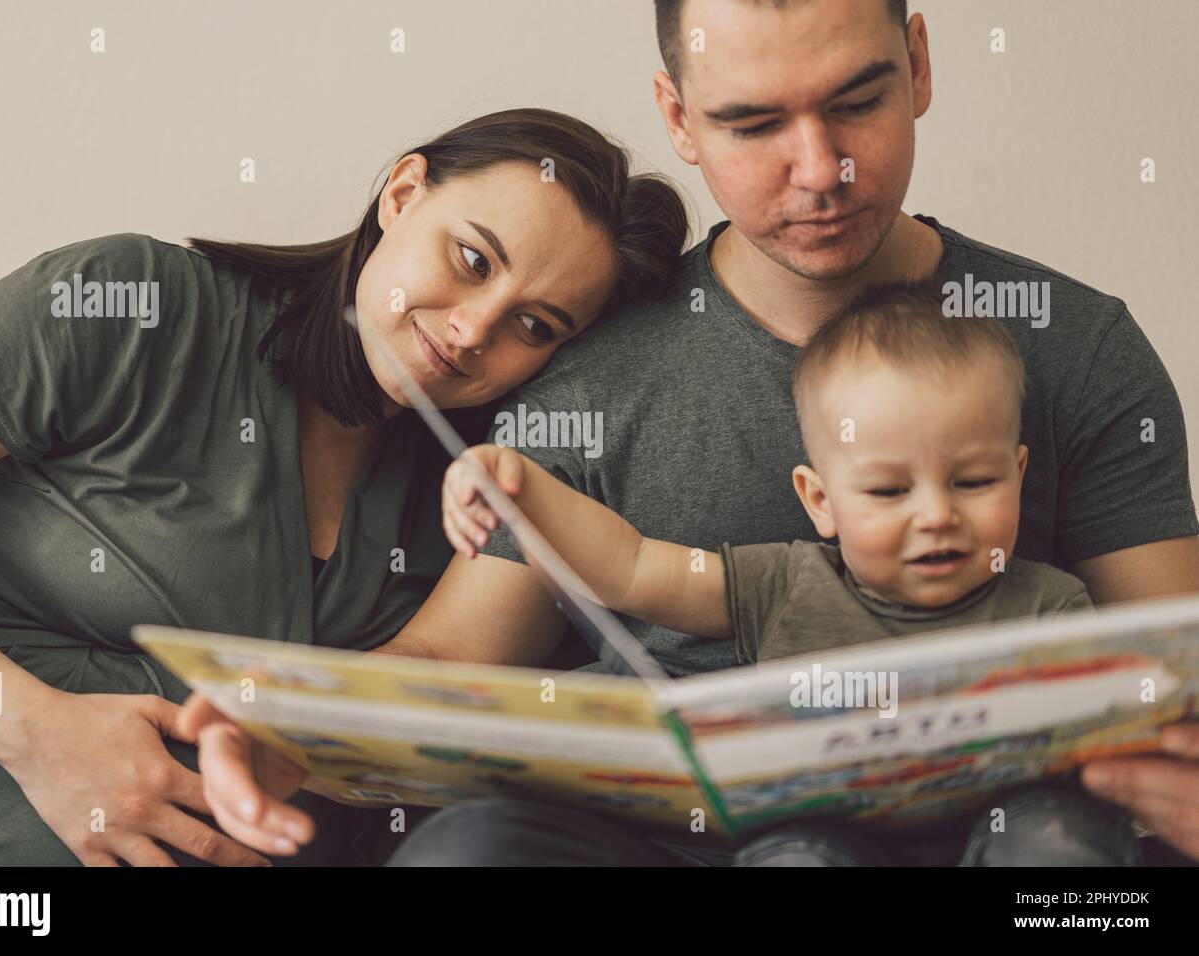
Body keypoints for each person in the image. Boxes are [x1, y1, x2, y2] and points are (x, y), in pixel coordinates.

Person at [186, 0, 1199, 864]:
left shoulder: (1074, 347)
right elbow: (454, 655)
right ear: (677, 117)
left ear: (920, 65)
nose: (819, 171)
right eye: (752, 122)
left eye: (856, 102)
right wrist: (287, 738)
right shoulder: (589, 365)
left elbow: (1165, 677)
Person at [0, 108, 688, 866]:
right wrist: (36, 735)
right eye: (473, 261)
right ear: (404, 194)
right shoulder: (133, 307)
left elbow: (443, 679)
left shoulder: (485, 488)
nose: (474, 329)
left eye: (536, 326)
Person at [439, 282, 1139, 866]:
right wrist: (522, 485)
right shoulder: (787, 584)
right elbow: (628, 567)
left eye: (975, 481)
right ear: (820, 502)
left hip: (996, 832)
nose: (936, 516)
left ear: (1018, 475)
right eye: (890, 492)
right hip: (819, 834)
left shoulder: (1050, 606)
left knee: (1059, 842)